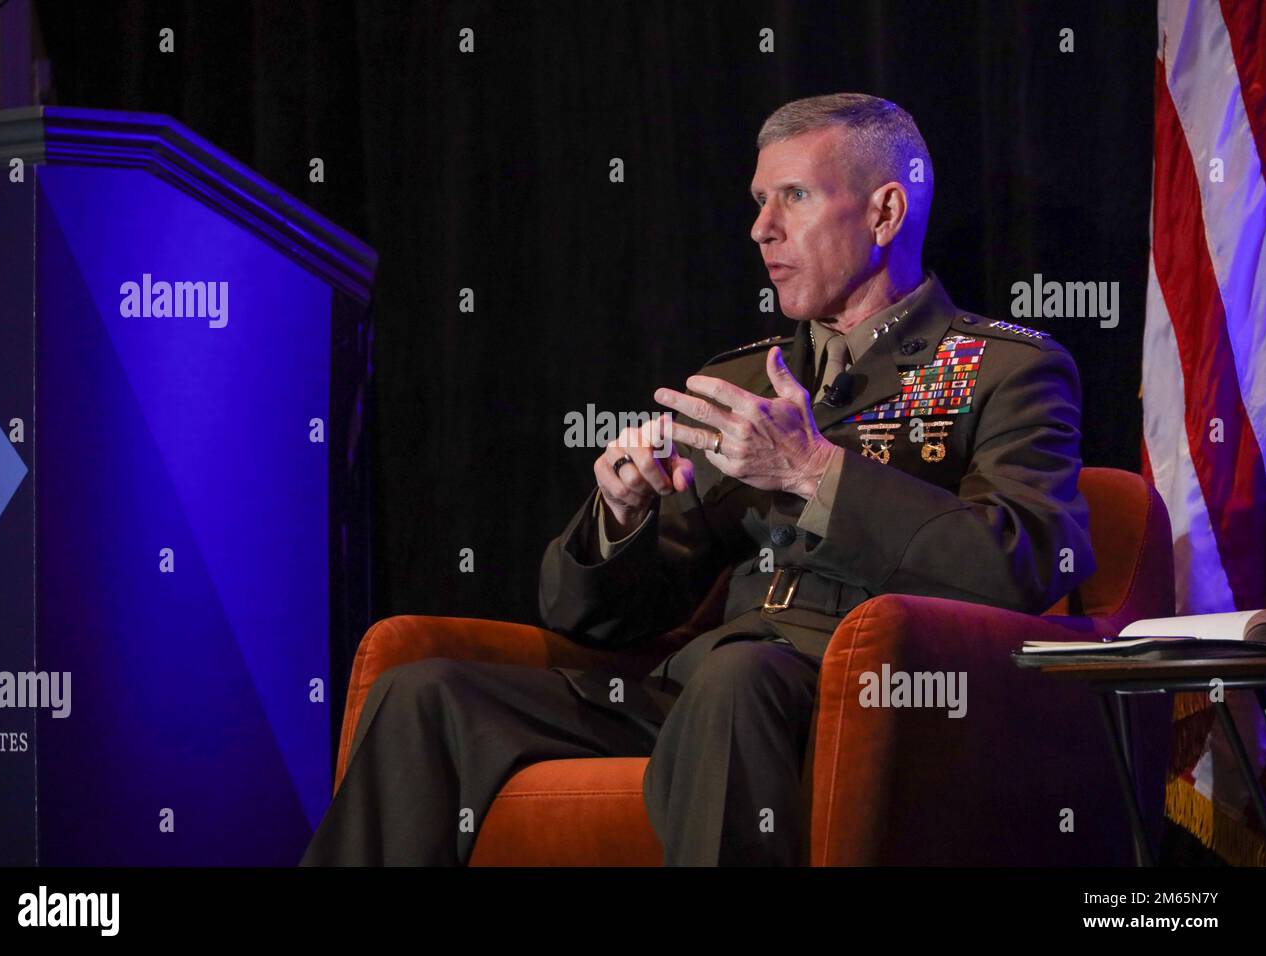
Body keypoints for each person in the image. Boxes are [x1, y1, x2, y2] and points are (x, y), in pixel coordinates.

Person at [300, 92, 1095, 867]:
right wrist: (620, 517)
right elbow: (599, 621)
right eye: (757, 201)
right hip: (700, 693)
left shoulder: (1004, 369)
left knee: (738, 678)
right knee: (424, 694)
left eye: (794, 197)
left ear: (885, 213)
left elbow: (1024, 563)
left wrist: (817, 472)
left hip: (866, 703)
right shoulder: (746, 378)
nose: (761, 229)